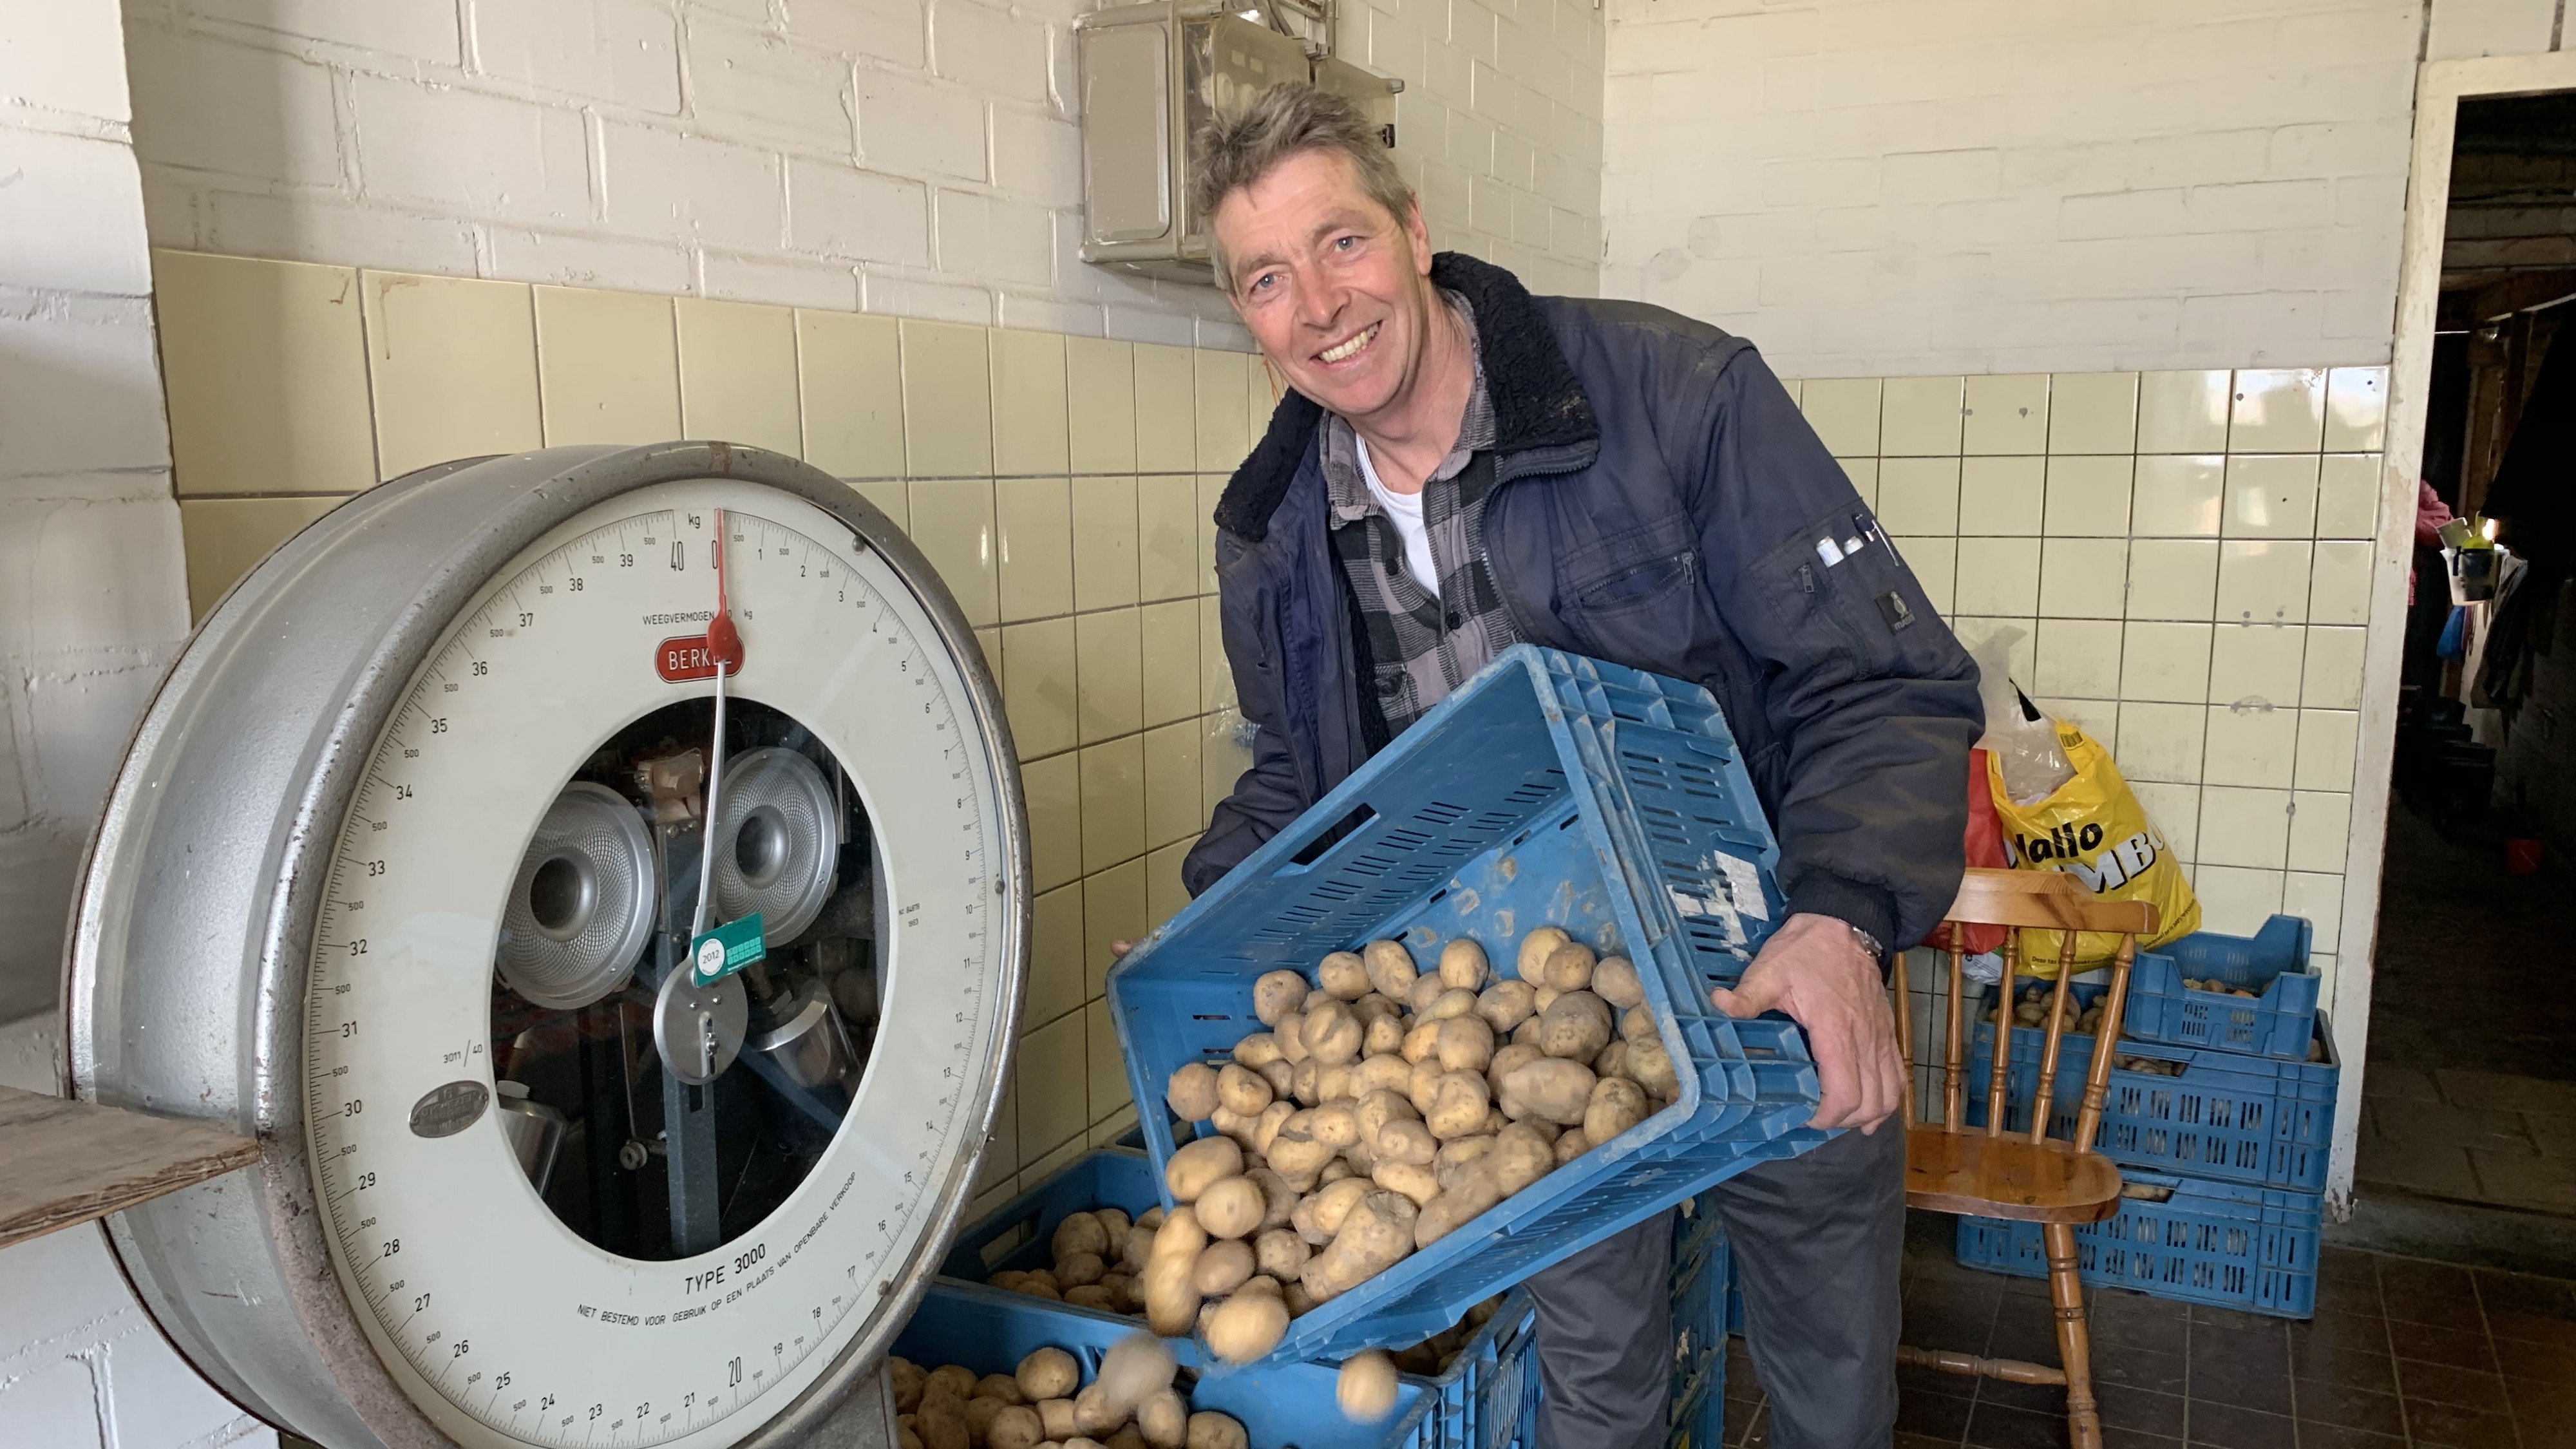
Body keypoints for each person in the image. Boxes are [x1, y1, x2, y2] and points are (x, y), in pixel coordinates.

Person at [1163, 85, 1982, 1448]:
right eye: (1265, 277)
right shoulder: (1272, 528)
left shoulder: (1675, 393)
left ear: (1414, 232)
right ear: (1246, 315)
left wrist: (1840, 918)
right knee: (1595, 1387)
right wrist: (1213, 925)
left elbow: (1885, 682)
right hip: (1525, 1020)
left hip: (1764, 967)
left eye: (1341, 244)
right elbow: (1293, 779)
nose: (1317, 303)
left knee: (1828, 1382)